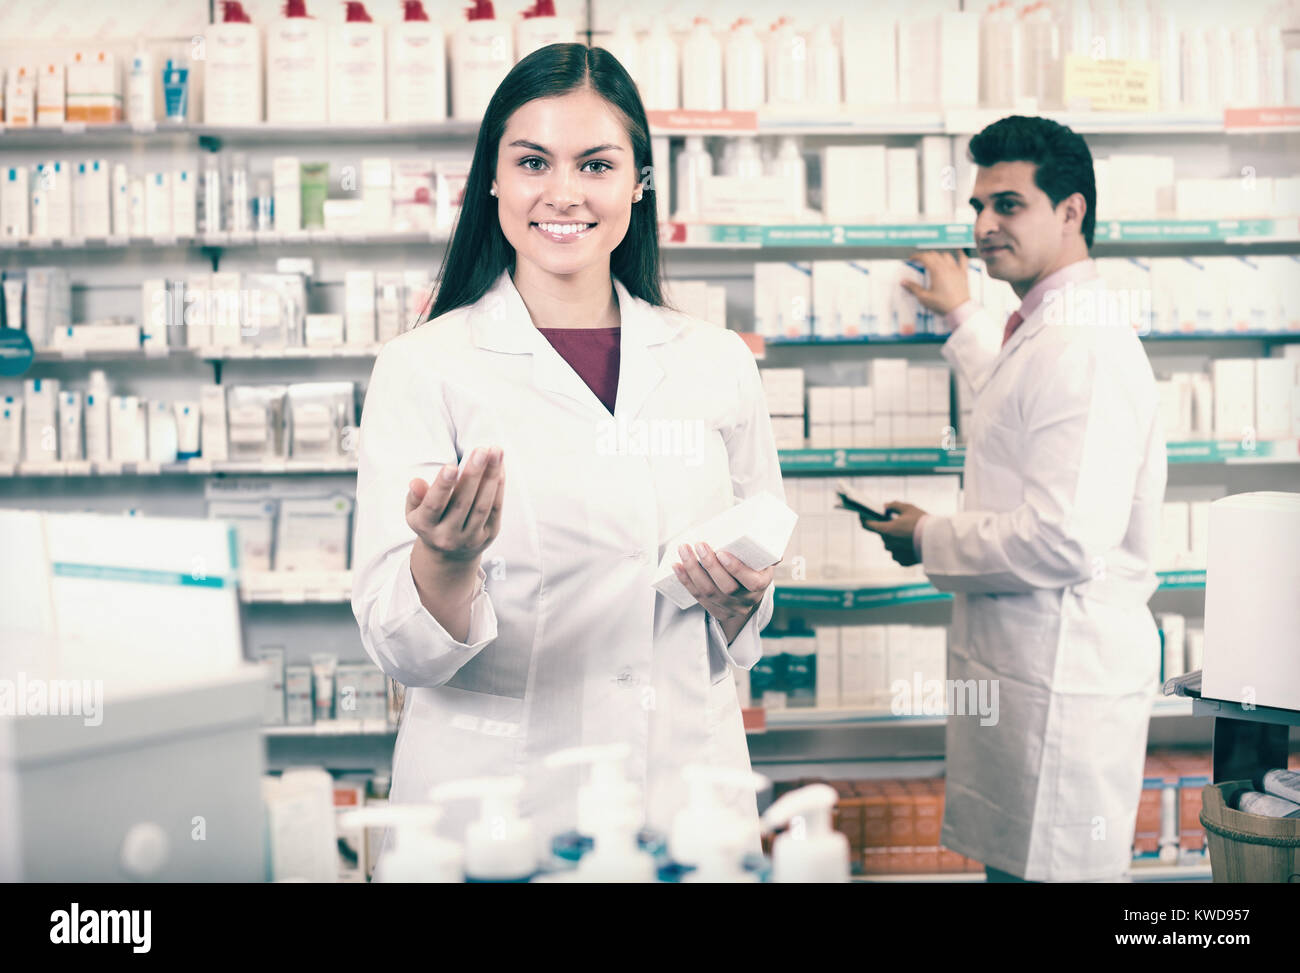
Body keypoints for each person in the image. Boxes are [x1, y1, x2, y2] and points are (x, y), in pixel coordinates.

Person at [350, 43, 782, 877]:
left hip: (682, 795)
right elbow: (397, 647)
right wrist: (444, 561)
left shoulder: (715, 361)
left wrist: (741, 601)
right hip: (498, 809)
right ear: (493, 181)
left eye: (596, 164)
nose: (564, 192)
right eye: (532, 162)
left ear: (639, 184)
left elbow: (751, 613)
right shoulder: (425, 367)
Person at [861, 116, 1168, 882]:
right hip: (1028, 675)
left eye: (1009, 204)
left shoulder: (1085, 344)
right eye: (977, 206)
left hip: (1065, 689)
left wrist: (931, 535)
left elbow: (1064, 538)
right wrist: (964, 317)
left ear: (1072, 211)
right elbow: (1017, 409)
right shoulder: (1045, 329)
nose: (984, 225)